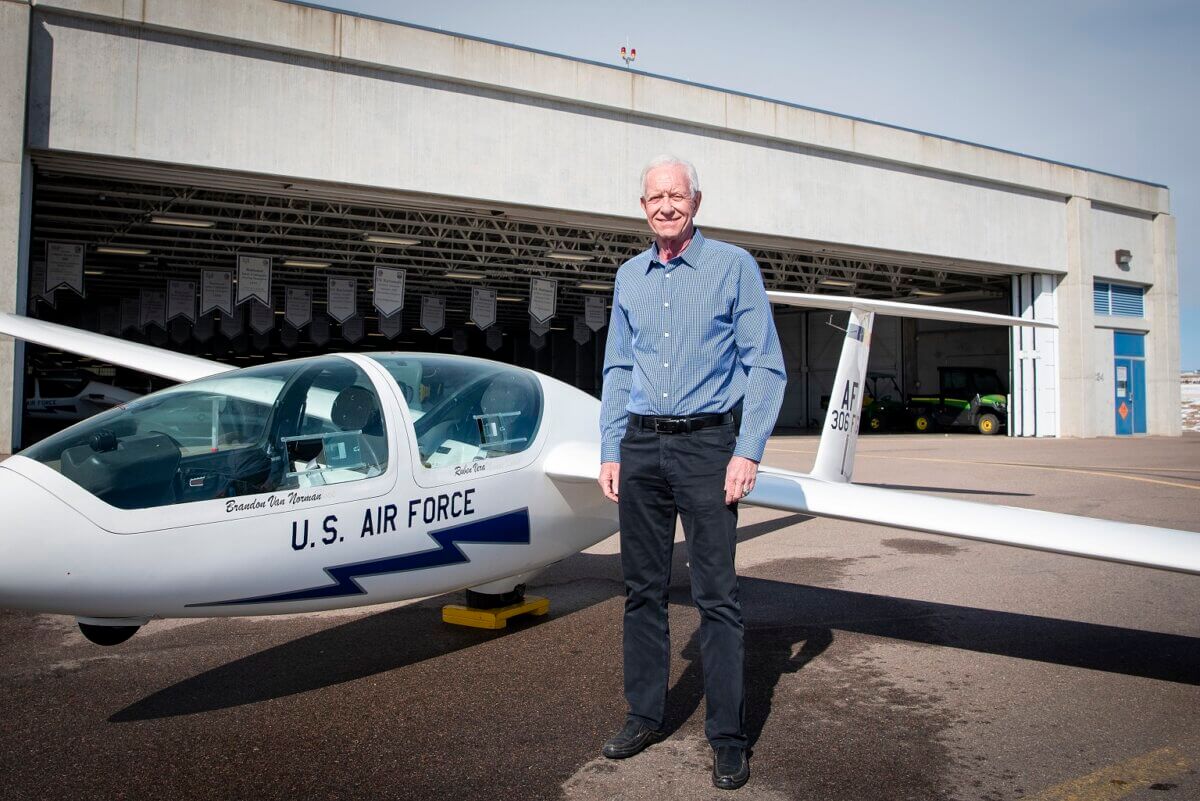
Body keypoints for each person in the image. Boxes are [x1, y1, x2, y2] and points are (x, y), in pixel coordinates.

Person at [597, 154, 786, 790]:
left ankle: (728, 737)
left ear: (696, 202)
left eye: (676, 196)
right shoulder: (629, 277)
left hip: (710, 447)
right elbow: (618, 369)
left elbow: (767, 365)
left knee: (716, 597)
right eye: (655, 198)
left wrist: (748, 449)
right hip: (642, 446)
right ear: (643, 207)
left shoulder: (734, 267)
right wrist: (611, 447)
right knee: (641, 590)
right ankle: (644, 713)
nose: (666, 207)